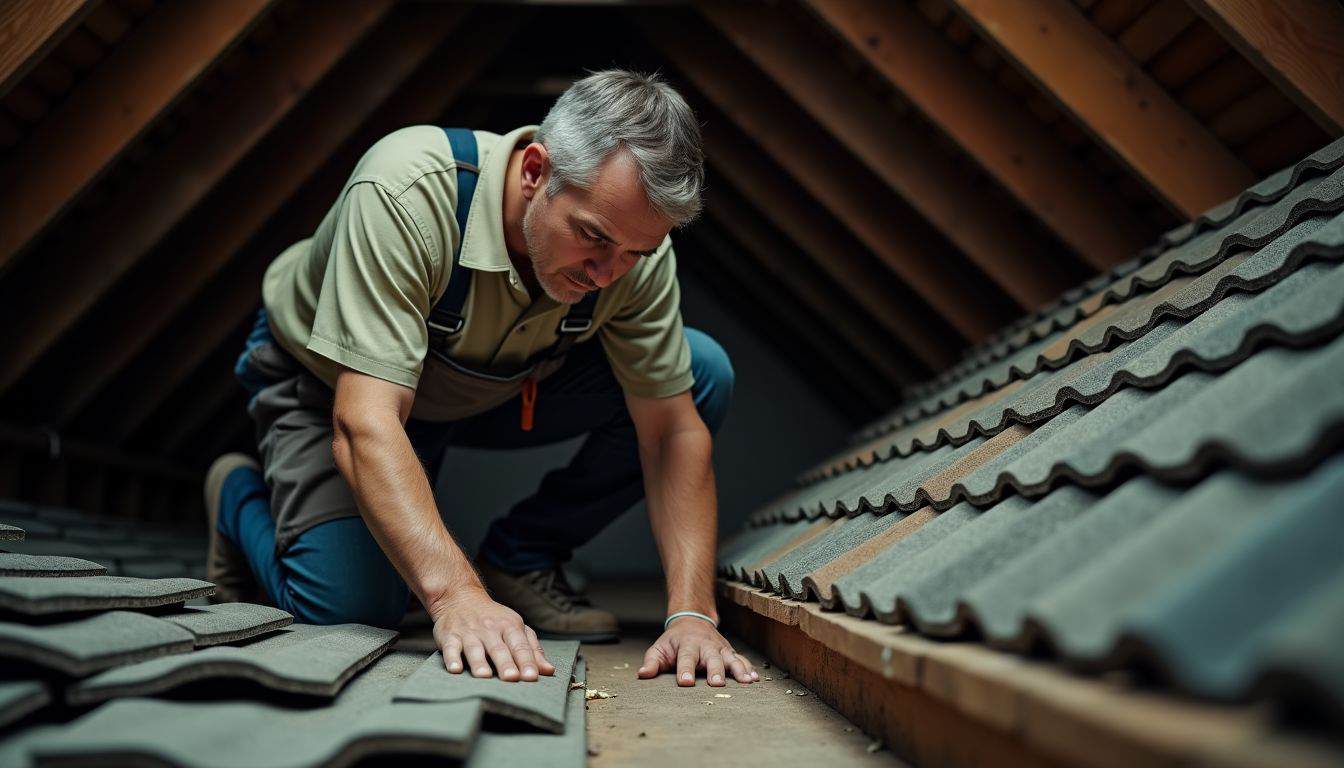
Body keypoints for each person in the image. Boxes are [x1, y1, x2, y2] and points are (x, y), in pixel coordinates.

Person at [205, 70, 758, 688]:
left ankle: (519, 558)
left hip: (488, 387)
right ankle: (237, 496)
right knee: (350, 607)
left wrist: (691, 614)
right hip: (338, 386)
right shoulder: (405, 190)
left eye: (635, 253)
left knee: (699, 373)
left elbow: (670, 435)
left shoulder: (630, 256)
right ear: (535, 171)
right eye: (593, 238)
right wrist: (455, 597)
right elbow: (364, 421)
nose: (608, 273)